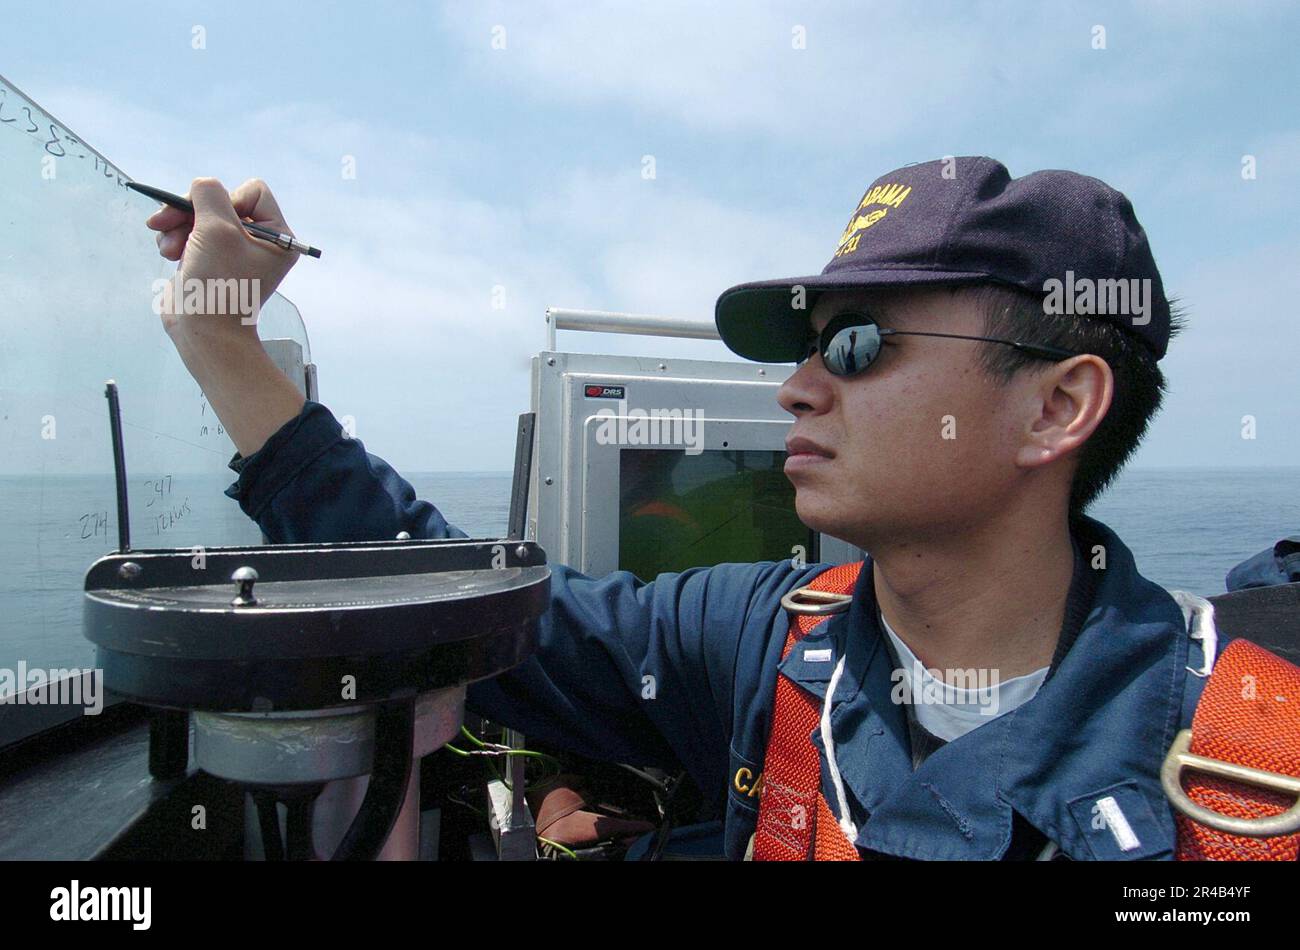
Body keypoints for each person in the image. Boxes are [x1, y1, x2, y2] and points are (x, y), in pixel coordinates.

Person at [145, 156, 1275, 861]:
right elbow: (444, 589)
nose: (796, 384)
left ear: (1056, 407)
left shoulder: (1253, 761)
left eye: (857, 344)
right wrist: (223, 343)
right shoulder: (763, 643)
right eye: (803, 344)